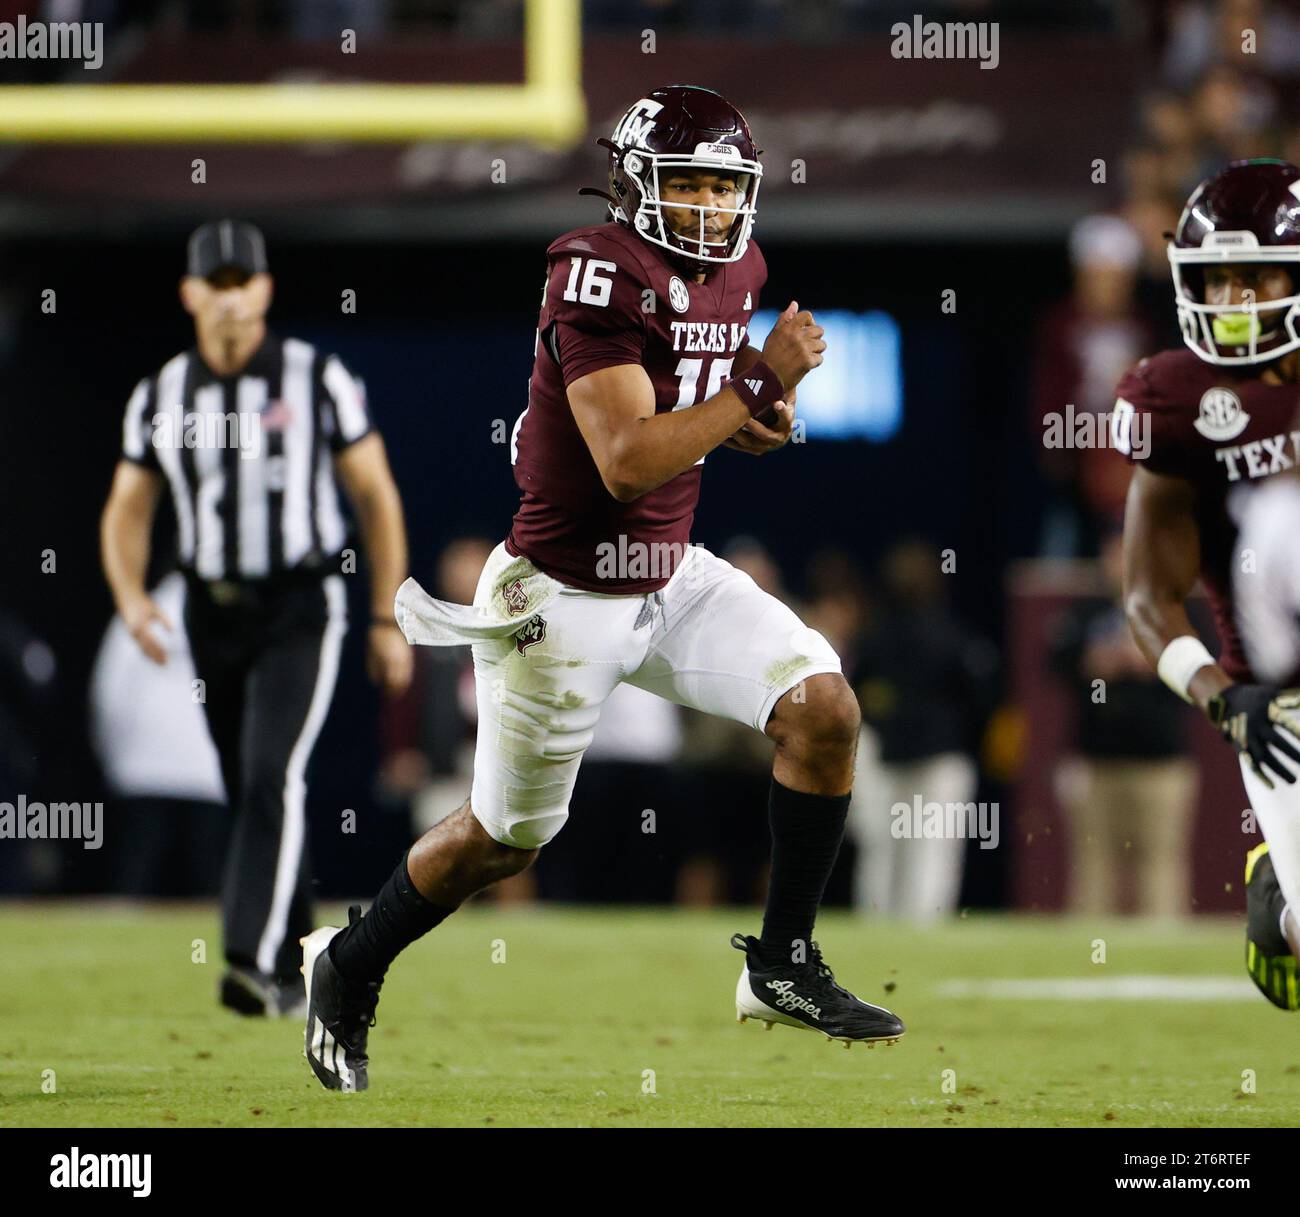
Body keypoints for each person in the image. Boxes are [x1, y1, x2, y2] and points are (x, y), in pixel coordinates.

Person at [299, 84, 904, 1092]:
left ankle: (783, 962)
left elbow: (698, 394)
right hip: (561, 594)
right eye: (691, 184)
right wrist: (757, 382)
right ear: (635, 184)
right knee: (504, 841)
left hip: (668, 573)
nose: (712, 206)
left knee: (824, 708)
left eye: (726, 187)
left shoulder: (739, 267)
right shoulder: (594, 271)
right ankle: (349, 961)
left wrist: (755, 413)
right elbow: (624, 459)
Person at [100, 220, 412, 1017]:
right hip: (213, 610)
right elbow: (128, 507)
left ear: (266, 290)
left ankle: (246, 958)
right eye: (217, 282)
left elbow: (375, 495)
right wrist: (131, 596)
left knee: (270, 770)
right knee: (248, 786)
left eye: (244, 282)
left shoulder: (315, 377)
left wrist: (385, 616)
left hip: (301, 604)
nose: (231, 298)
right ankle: (303, 966)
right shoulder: (162, 394)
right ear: (190, 293)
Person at [1117, 159, 1300, 1010]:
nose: (1233, 301)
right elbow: (1148, 595)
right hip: (1282, 701)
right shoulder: (1177, 398)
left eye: (1255, 277)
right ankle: (1280, 903)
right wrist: (1224, 699)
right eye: (1216, 279)